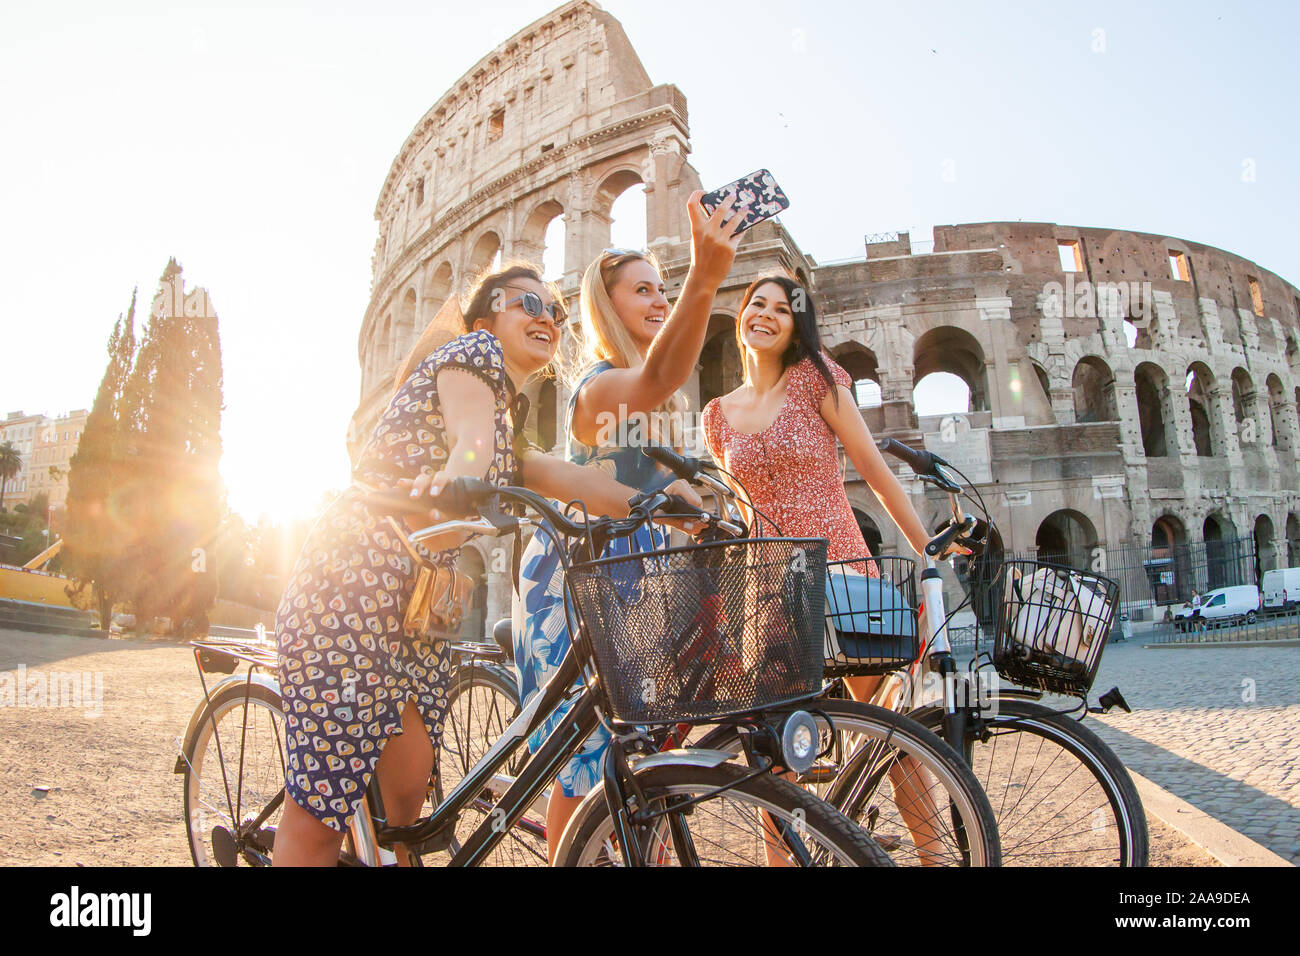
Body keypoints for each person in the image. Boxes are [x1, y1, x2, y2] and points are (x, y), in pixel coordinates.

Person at [272, 263, 685, 866]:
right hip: (352, 583)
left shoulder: (508, 415)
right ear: (486, 317)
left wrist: (662, 503)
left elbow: (568, 477)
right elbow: (472, 438)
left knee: (409, 799)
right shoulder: (473, 355)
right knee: (323, 805)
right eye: (527, 303)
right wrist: (463, 470)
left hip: (420, 605)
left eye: (555, 311)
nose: (546, 317)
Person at [701, 274, 969, 863]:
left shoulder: (817, 377)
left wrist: (928, 546)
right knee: (774, 758)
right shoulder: (716, 415)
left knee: (888, 736)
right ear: (741, 317)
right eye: (756, 305)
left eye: (782, 309)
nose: (766, 315)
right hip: (767, 588)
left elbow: (874, 468)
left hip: (842, 569)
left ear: (798, 325)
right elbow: (743, 512)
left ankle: (935, 858)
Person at [514, 190, 746, 863]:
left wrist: (704, 509)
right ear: (605, 304)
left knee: (643, 748)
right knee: (585, 756)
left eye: (665, 290)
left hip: (640, 576)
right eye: (643, 290)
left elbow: (664, 483)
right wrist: (706, 278)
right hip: (579, 577)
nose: (658, 300)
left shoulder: (651, 413)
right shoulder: (598, 384)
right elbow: (649, 383)